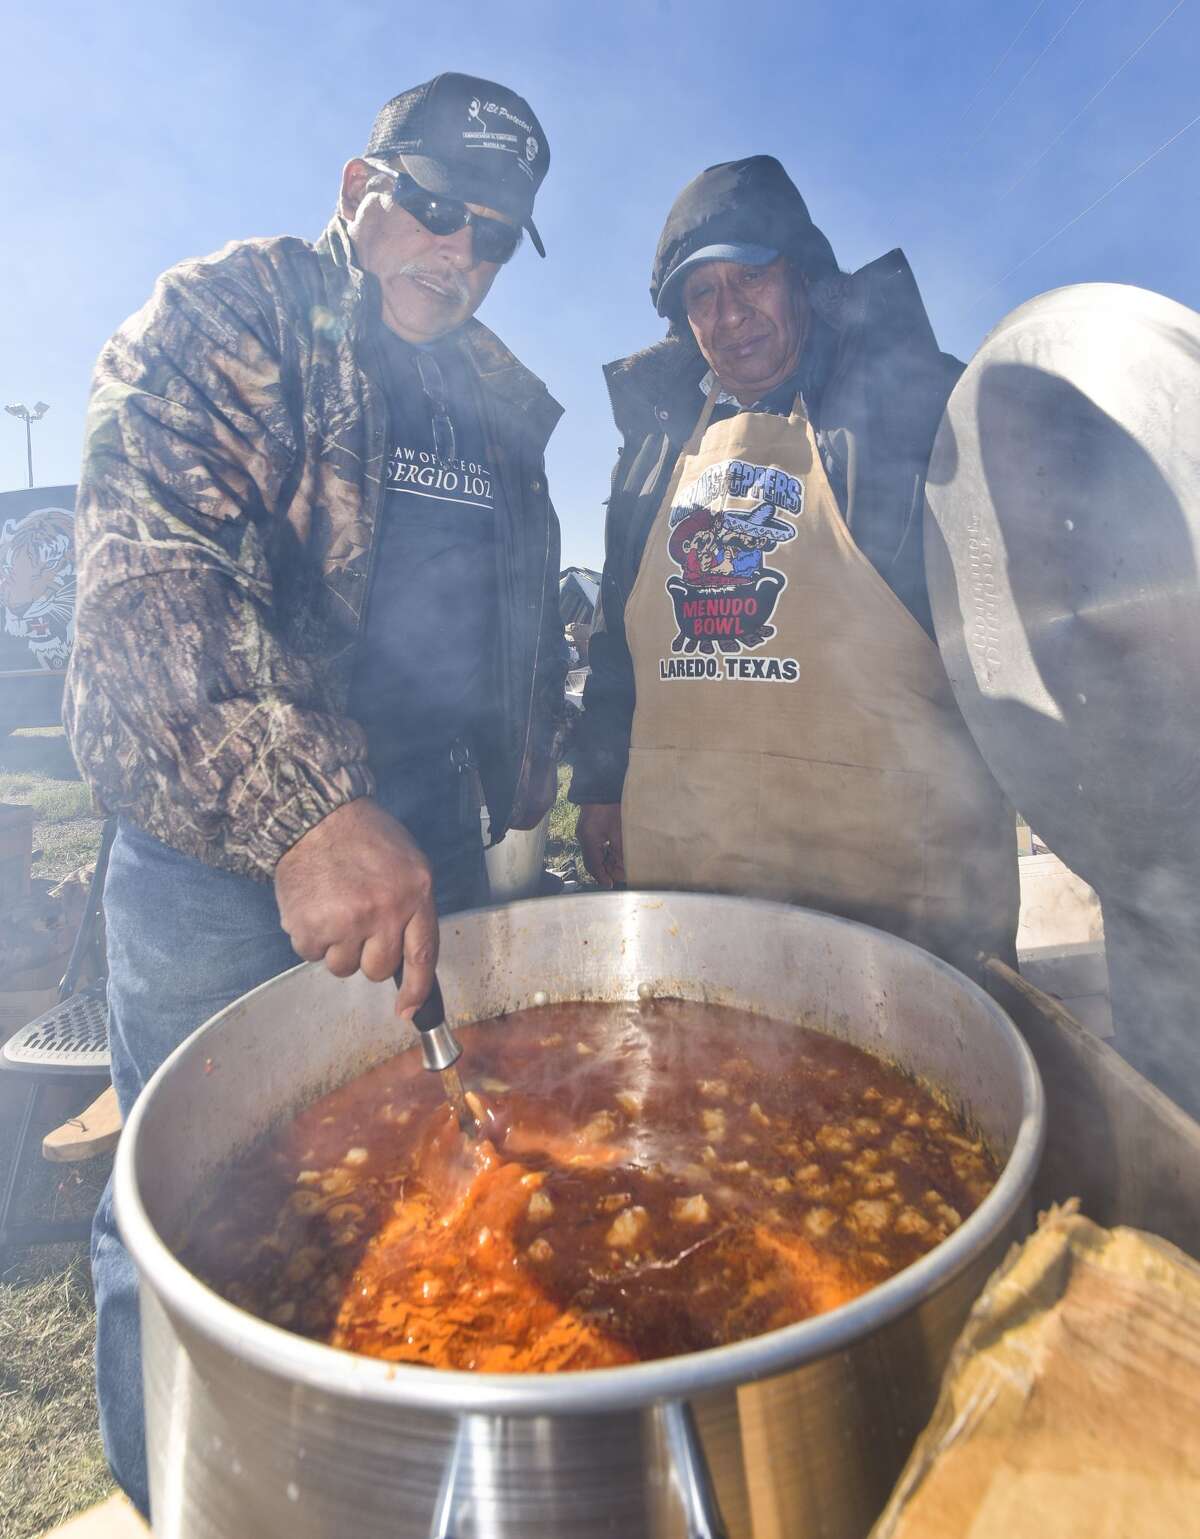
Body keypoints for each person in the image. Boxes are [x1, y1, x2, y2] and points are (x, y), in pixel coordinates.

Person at [64, 72, 564, 1515]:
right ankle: (182, 1494)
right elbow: (146, 584)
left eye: (493, 234)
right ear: (362, 187)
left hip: (428, 822)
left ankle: (401, 1479)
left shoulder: (493, 395)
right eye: (436, 208)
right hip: (229, 840)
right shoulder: (234, 316)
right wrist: (302, 806)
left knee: (434, 1141)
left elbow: (516, 609)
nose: (458, 252)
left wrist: (526, 760)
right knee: (187, 1202)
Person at [571, 156, 1018, 977]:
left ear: (803, 276)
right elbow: (614, 640)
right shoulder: (655, 444)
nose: (729, 313)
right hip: (691, 859)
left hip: (889, 882)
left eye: (751, 278)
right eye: (701, 294)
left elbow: (1022, 624)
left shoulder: (918, 409)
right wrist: (600, 782)